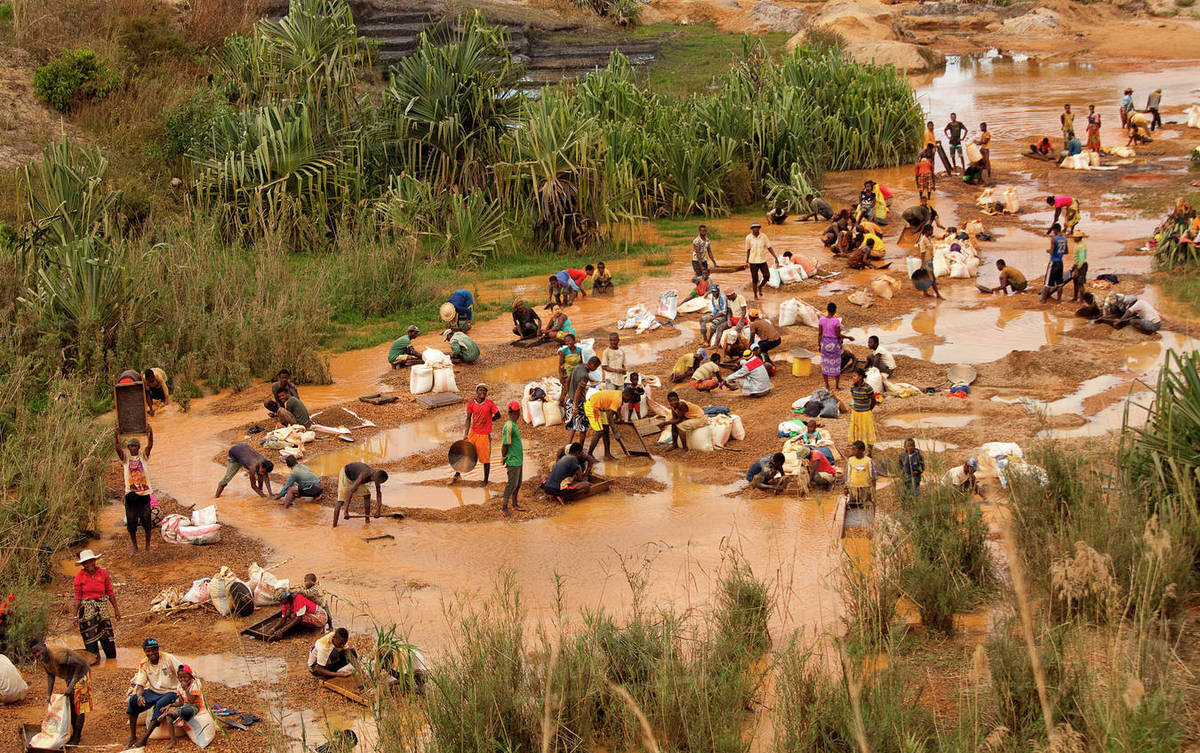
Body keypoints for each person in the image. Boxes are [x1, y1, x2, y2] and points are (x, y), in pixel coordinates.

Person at [32, 641, 92, 745]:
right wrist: (48, 694)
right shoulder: (43, 659)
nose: (37, 654)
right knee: (71, 705)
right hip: (69, 676)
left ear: (44, 646)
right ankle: (73, 734)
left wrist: (72, 684)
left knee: (79, 707)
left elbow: (79, 665)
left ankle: (77, 738)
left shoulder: (57, 655)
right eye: (34, 653)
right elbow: (50, 675)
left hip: (82, 674)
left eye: (38, 650)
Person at [126, 638, 181, 748]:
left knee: (160, 704)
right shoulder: (144, 663)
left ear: (158, 649)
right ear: (144, 651)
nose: (151, 653)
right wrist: (140, 695)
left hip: (171, 691)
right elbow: (140, 684)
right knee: (133, 700)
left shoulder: (168, 658)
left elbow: (182, 670)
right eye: (148, 651)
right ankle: (132, 736)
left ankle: (145, 738)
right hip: (154, 691)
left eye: (154, 650)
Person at [135, 664, 204, 749]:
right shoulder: (179, 686)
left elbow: (191, 701)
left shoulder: (194, 685)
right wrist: (170, 705)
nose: (183, 679)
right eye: (180, 678)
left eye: (185, 677)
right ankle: (172, 741)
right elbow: (181, 702)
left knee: (185, 711)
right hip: (184, 706)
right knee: (169, 718)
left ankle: (173, 715)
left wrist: (186, 689)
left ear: (190, 676)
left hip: (194, 706)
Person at [73, 550, 119, 664]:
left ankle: (109, 659)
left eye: (91, 561)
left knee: (109, 645)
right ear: (83, 564)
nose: (90, 564)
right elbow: (78, 598)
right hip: (87, 611)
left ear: (95, 561)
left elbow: (110, 592)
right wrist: (74, 616)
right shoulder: (79, 577)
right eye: (86, 563)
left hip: (102, 608)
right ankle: (93, 657)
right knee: (91, 645)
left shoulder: (103, 573)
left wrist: (116, 610)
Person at [115, 426, 154, 552]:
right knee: (131, 523)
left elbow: (150, 446)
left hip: (144, 494)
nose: (133, 448)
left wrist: (150, 433)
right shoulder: (126, 458)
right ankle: (135, 546)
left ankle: (148, 545)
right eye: (131, 446)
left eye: (135, 446)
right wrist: (116, 436)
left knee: (147, 520)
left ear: (138, 447)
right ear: (128, 448)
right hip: (131, 495)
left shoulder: (143, 456)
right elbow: (117, 449)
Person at [583, 387, 638, 460]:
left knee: (606, 429)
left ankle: (607, 454)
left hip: (599, 408)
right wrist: (615, 431)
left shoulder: (620, 395)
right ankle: (589, 454)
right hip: (592, 407)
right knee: (599, 431)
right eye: (630, 398)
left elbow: (617, 408)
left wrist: (620, 418)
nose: (629, 401)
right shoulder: (618, 399)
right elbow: (609, 417)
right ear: (627, 395)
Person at [463, 384, 500, 486]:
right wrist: (466, 434)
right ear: (477, 392)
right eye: (480, 390)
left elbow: (498, 415)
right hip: (473, 433)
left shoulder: (490, 404)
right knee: (466, 453)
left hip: (484, 435)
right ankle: (457, 473)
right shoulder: (471, 404)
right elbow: (468, 419)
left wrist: (491, 420)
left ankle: (485, 480)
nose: (483, 392)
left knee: (485, 458)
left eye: (485, 390)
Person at [333, 462, 388, 527]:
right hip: (346, 475)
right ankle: (334, 525)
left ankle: (367, 520)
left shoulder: (377, 476)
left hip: (355, 478)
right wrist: (346, 511)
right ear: (375, 478)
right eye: (379, 482)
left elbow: (378, 493)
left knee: (367, 495)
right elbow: (350, 492)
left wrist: (378, 510)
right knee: (341, 500)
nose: (378, 484)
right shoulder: (365, 474)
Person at [817, 302, 853, 391]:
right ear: (835, 311)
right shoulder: (836, 321)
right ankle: (837, 386)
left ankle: (827, 386)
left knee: (825, 365)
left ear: (827, 310)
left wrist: (819, 345)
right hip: (834, 346)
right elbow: (838, 335)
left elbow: (820, 334)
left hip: (824, 345)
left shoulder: (821, 320)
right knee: (836, 365)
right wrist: (848, 337)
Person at [563, 355, 597, 444]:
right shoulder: (584, 375)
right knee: (583, 427)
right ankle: (580, 449)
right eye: (596, 367)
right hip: (578, 403)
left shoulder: (578, 366)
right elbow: (578, 391)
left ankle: (568, 446)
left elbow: (568, 380)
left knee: (572, 425)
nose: (595, 369)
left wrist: (568, 393)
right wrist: (575, 406)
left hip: (570, 400)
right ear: (593, 365)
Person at [744, 221, 779, 300]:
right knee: (755, 279)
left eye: (757, 227)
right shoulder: (748, 238)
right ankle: (755, 295)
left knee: (767, 276)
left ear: (759, 228)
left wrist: (775, 257)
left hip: (762, 260)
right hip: (753, 261)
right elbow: (748, 250)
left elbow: (769, 247)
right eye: (754, 228)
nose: (756, 229)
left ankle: (760, 287)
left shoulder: (763, 236)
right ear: (752, 229)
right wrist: (746, 261)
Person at [501, 402, 524, 516]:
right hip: (513, 460)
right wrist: (503, 457)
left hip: (518, 459)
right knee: (511, 484)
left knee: (518, 483)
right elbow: (505, 444)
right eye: (517, 412)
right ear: (517, 413)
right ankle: (504, 507)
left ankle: (514, 504)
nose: (518, 414)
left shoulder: (513, 425)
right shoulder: (509, 426)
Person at [848, 369, 877, 454]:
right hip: (855, 413)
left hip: (865, 414)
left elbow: (873, 401)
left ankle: (870, 452)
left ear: (860, 377)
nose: (853, 378)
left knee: (868, 431)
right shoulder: (853, 387)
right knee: (856, 431)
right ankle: (856, 451)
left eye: (854, 376)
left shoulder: (867, 388)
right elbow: (855, 399)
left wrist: (869, 409)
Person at [914, 225, 944, 300]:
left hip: (930, 261)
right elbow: (922, 253)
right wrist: (922, 264)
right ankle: (938, 294)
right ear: (927, 231)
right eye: (931, 230)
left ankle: (925, 293)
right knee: (932, 278)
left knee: (927, 277)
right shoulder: (923, 240)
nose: (932, 232)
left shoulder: (928, 239)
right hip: (927, 262)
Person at [845, 441, 877, 506]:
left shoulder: (868, 461)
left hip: (865, 488)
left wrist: (873, 491)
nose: (852, 451)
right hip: (853, 488)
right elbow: (847, 475)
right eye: (852, 449)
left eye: (854, 449)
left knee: (866, 504)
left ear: (861, 450)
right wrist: (846, 488)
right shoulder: (850, 460)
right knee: (853, 504)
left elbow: (873, 476)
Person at [1044, 224, 1068, 302]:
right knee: (1059, 283)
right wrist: (1059, 252)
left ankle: (1043, 300)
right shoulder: (1064, 239)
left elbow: (1052, 251)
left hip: (1053, 262)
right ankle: (1059, 300)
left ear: (1056, 230)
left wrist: (1048, 251)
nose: (1053, 232)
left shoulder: (1054, 239)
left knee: (1048, 283)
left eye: (1053, 230)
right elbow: (1066, 251)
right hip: (1060, 262)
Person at [1068, 232, 1088, 302]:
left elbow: (1082, 260)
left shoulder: (1081, 246)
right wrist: (1074, 265)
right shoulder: (1077, 244)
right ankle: (1075, 297)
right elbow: (1077, 257)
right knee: (1075, 282)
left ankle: (1081, 300)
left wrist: (1077, 269)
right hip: (1078, 265)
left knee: (1080, 283)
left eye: (1075, 237)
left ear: (1079, 238)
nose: (1074, 238)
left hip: (1082, 266)